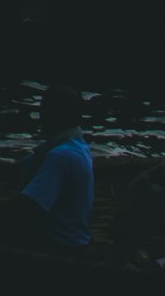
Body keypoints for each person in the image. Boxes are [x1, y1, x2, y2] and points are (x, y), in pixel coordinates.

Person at [13, 91, 100, 257]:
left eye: (45, 112)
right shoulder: (75, 145)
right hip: (75, 240)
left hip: (60, 244)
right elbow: (13, 173)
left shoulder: (61, 156)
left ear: (58, 115)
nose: (41, 118)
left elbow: (27, 207)